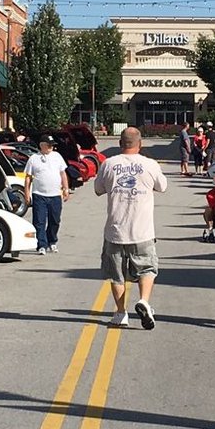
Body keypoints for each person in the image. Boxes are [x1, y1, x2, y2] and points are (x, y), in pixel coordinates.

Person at [92, 126, 167, 328]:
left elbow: (98, 189)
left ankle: (121, 312)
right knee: (147, 268)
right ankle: (144, 300)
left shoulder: (109, 164)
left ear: (119, 143)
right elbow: (163, 186)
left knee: (116, 275)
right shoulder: (150, 164)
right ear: (140, 144)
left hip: (115, 230)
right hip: (142, 231)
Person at [25, 135, 72, 255]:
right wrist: (26, 193)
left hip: (55, 195)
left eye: (52, 144)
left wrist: (66, 189)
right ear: (42, 145)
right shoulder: (34, 158)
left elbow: (63, 173)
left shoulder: (57, 157)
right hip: (39, 195)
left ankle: (52, 241)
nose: (51, 146)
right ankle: (41, 244)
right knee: (39, 221)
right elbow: (28, 177)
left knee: (55, 220)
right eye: (49, 144)